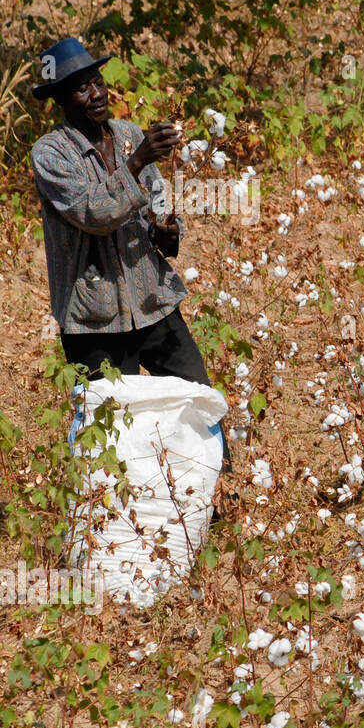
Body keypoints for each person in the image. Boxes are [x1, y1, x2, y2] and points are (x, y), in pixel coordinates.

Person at [32, 38, 228, 461]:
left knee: (197, 403)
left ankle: (215, 503)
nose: (97, 93)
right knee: (110, 436)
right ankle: (110, 522)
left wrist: (168, 232)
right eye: (81, 88)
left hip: (154, 301)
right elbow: (93, 213)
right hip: (94, 319)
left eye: (97, 81)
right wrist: (136, 161)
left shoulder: (127, 134)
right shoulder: (50, 154)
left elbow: (157, 202)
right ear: (60, 99)